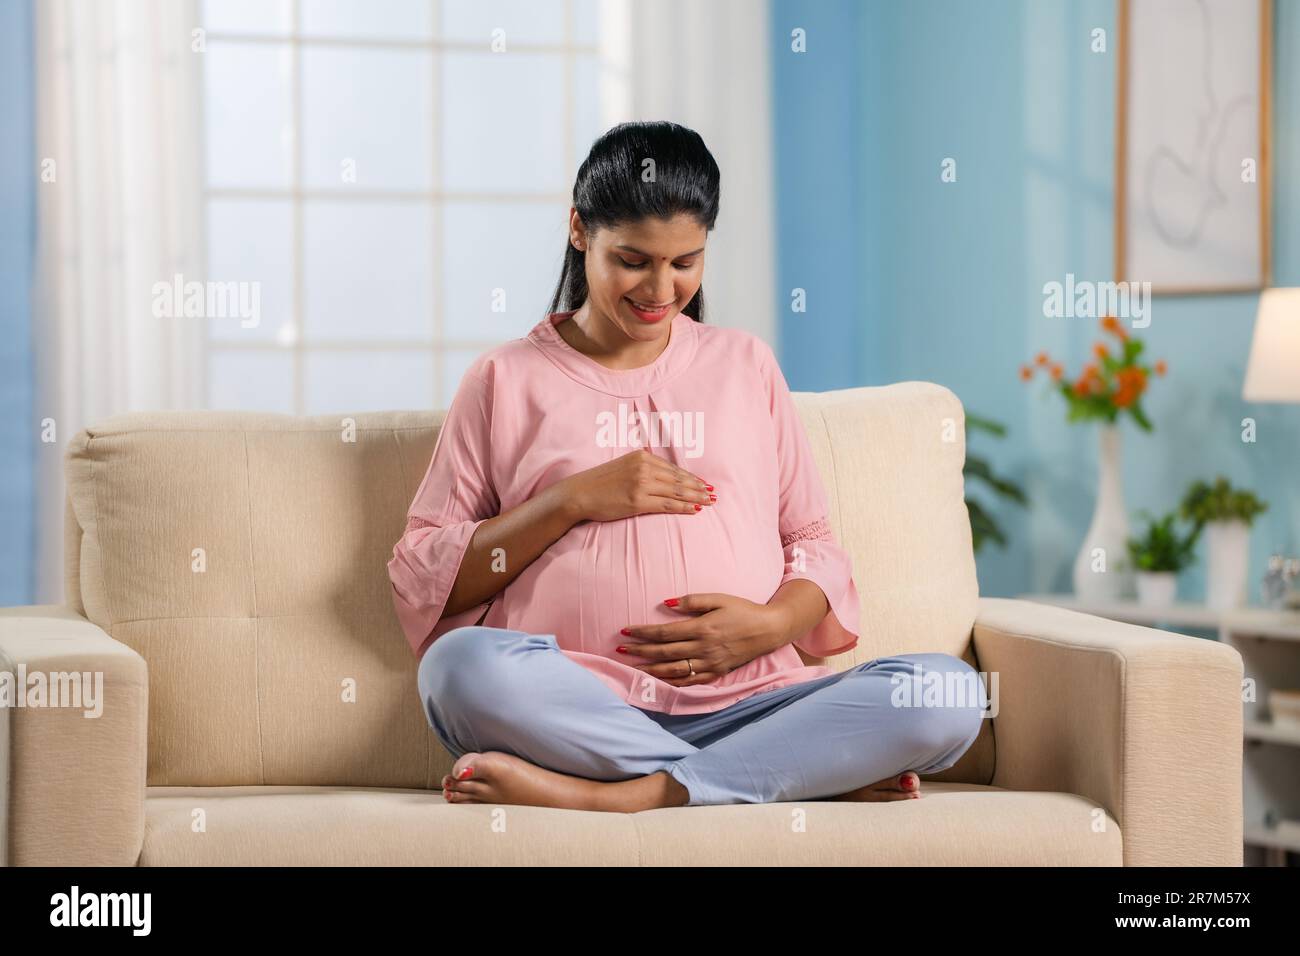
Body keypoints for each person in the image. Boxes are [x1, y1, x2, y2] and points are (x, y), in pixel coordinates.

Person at [387, 120, 985, 811]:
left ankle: (637, 796)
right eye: (633, 260)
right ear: (580, 231)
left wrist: (771, 626)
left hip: (758, 703)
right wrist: (569, 501)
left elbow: (813, 546)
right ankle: (775, 775)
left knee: (945, 692)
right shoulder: (503, 379)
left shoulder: (744, 364)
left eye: (685, 262)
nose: (661, 290)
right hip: (584, 711)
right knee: (456, 670)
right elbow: (428, 573)